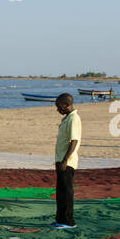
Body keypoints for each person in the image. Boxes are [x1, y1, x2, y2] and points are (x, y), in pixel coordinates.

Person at [52, 93, 81, 229]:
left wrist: (65, 161)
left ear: (66, 104)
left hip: (67, 162)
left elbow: (74, 141)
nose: (58, 109)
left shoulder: (73, 119)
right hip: (60, 160)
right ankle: (60, 219)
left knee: (67, 192)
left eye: (59, 106)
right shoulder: (67, 118)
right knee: (60, 192)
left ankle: (68, 221)